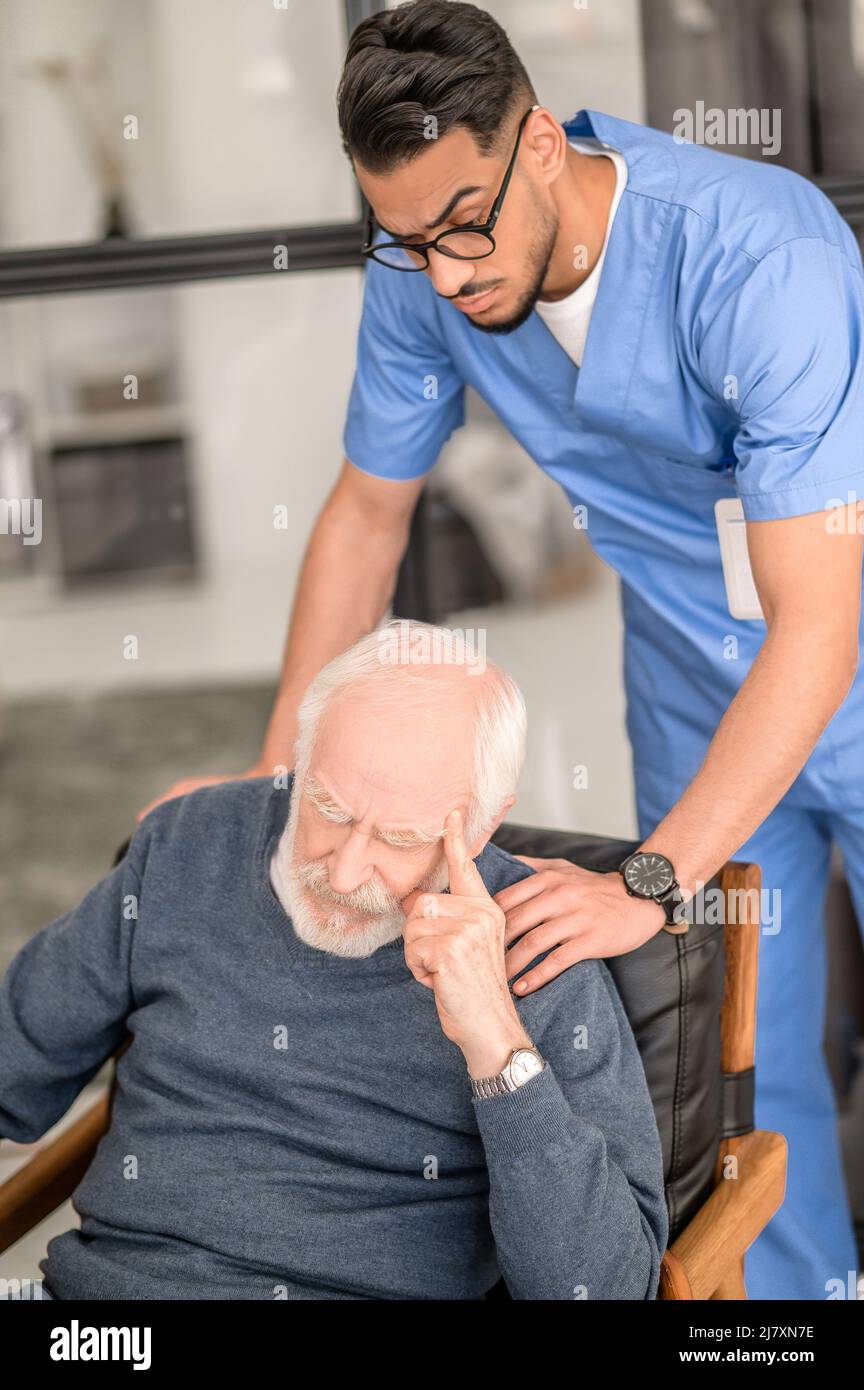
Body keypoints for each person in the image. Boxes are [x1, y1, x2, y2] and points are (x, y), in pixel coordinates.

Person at [146, 2, 864, 1299]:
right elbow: (368, 520)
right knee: (758, 1054)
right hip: (697, 685)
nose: (448, 272)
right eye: (404, 237)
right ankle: (799, 1304)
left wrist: (649, 874)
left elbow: (819, 621)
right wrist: (276, 788)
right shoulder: (428, 264)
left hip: (844, 649)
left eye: (465, 223)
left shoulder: (760, 257)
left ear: (539, 145)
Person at [0, 623, 667, 1301]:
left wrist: (494, 1041)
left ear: (486, 823)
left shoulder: (541, 947)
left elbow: (604, 1290)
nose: (345, 875)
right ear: (300, 755)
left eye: (400, 839)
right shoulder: (185, 844)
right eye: (326, 807)